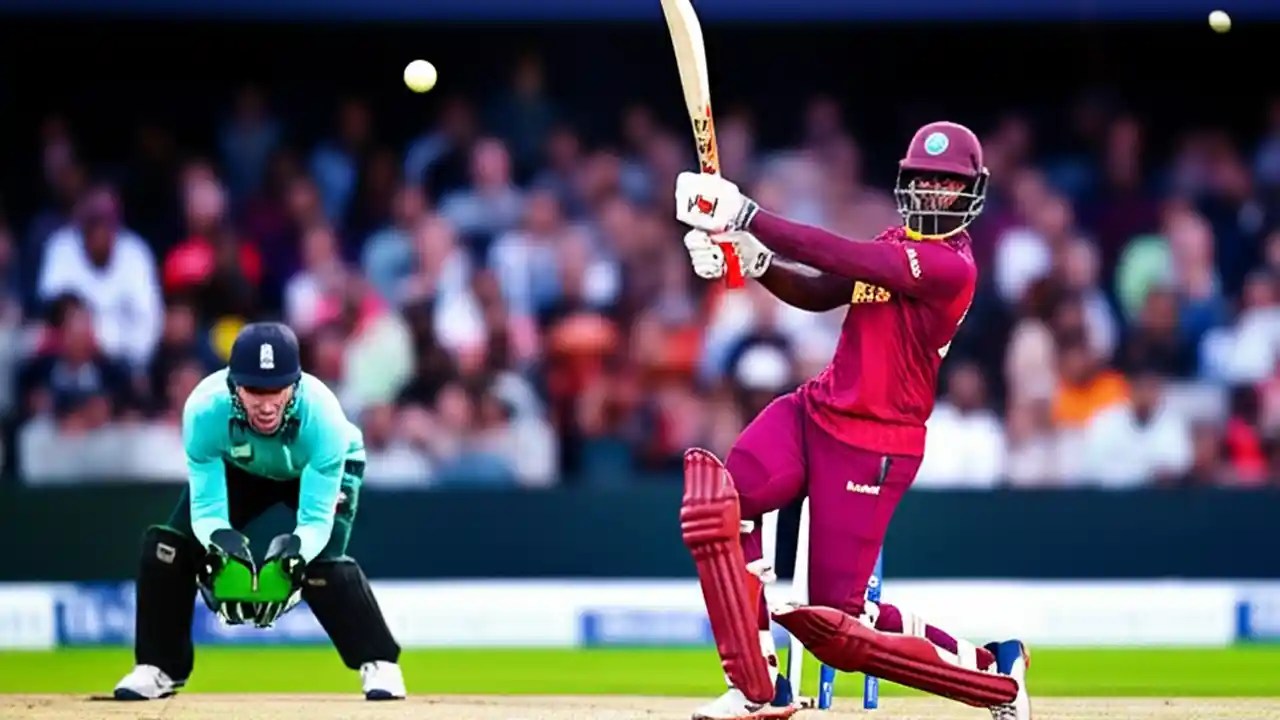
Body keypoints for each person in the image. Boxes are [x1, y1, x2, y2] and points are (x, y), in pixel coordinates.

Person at [673, 122, 1030, 720]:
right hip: (814, 411)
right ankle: (759, 687)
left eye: (948, 183)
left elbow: (842, 254)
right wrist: (753, 261)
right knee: (718, 506)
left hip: (875, 445)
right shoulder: (897, 241)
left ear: (972, 191)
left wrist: (746, 215)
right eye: (925, 180)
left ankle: (996, 673)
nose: (935, 194)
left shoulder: (951, 270)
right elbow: (821, 289)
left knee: (839, 628)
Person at [112, 322, 405, 701]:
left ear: (295, 385)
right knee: (168, 548)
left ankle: (380, 663)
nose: (266, 406)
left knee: (321, 565)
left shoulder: (325, 418)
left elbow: (315, 520)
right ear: (234, 386)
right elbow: (207, 507)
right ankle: (158, 667)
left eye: (277, 390)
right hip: (244, 466)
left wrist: (296, 550)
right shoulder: (204, 411)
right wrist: (221, 542)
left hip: (314, 469)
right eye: (254, 390)